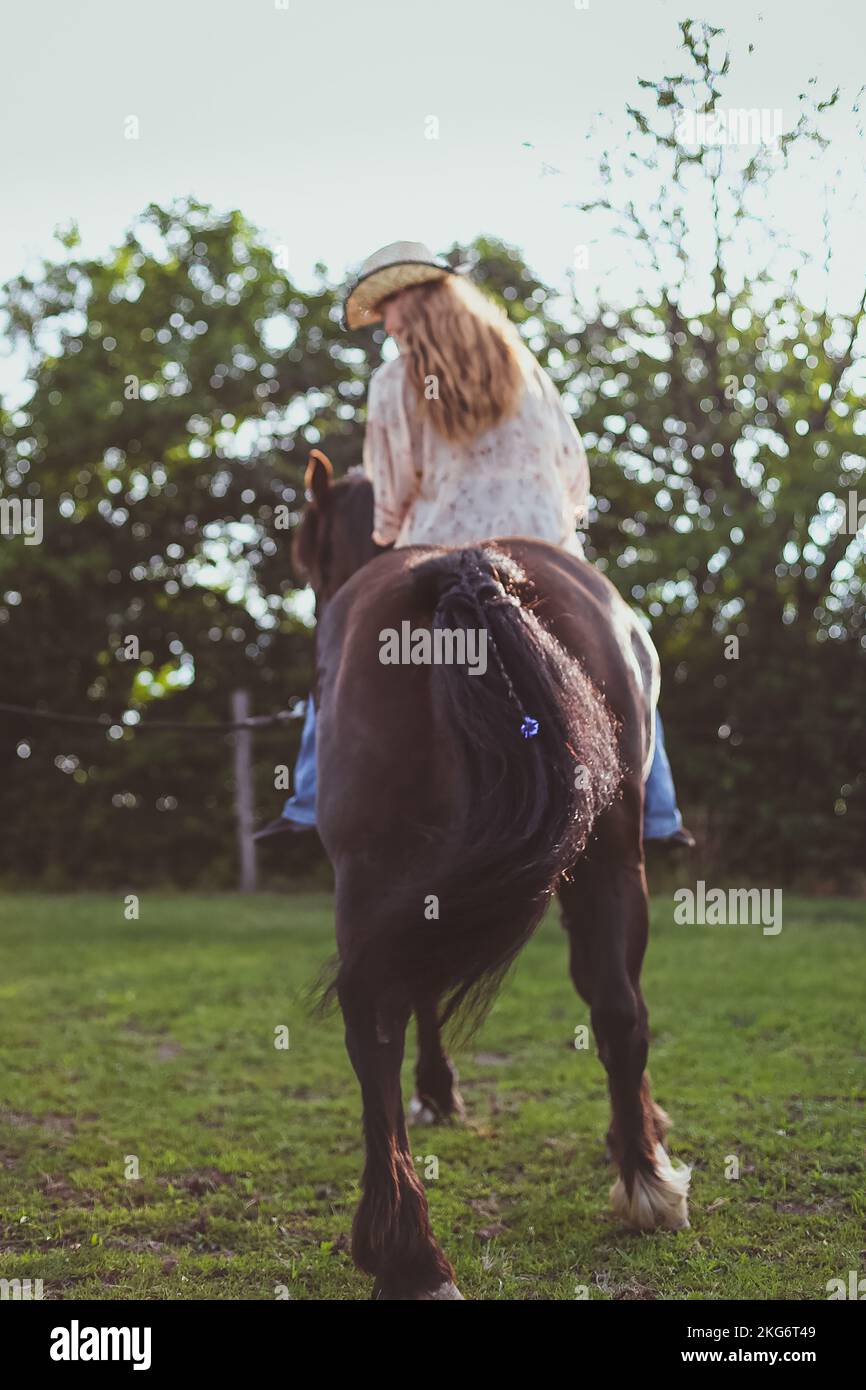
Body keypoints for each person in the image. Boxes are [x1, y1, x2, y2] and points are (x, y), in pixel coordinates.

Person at [260, 241, 692, 848]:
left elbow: (393, 491)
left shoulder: (394, 380)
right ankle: (657, 815)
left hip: (440, 553)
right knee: (629, 652)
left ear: (413, 300)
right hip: (548, 544)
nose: (385, 324)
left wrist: (387, 537)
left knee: (341, 647)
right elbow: (573, 467)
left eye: (387, 309)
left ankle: (307, 801)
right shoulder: (522, 365)